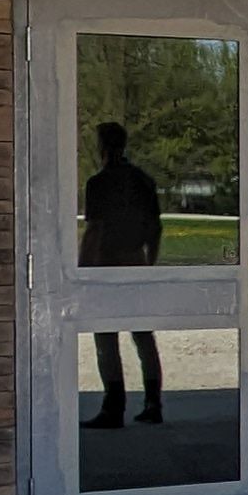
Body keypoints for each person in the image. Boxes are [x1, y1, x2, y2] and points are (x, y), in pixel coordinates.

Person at [78, 121, 166, 428]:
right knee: (143, 336)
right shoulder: (143, 180)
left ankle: (113, 405)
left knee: (106, 337)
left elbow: (95, 231)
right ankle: (153, 402)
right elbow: (155, 227)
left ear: (102, 145)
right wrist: (148, 264)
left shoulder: (99, 183)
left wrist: (83, 270)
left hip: (108, 264)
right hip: (136, 262)